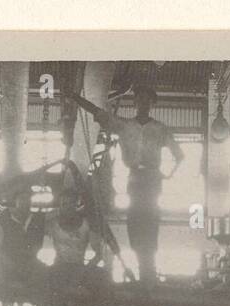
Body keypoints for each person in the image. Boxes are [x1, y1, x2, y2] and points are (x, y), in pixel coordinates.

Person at [71, 84, 183, 283]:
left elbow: (179, 156)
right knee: (135, 226)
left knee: (149, 226)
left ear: (152, 104)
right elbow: (99, 113)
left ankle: (148, 274)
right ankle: (143, 274)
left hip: (152, 182)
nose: (143, 104)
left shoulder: (160, 129)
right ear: (135, 103)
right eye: (140, 99)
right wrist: (76, 98)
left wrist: (167, 175)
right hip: (134, 181)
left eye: (147, 100)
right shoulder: (123, 126)